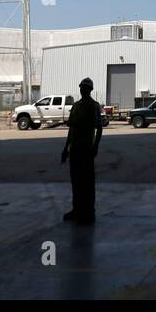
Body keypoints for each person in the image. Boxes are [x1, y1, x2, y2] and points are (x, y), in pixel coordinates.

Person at [60, 78, 103, 225]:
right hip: (75, 150)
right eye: (81, 87)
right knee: (76, 182)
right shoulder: (76, 106)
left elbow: (99, 128)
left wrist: (95, 146)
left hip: (86, 150)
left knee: (87, 182)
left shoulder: (94, 106)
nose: (82, 90)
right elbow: (71, 129)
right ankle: (76, 209)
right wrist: (66, 149)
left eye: (85, 88)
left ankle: (89, 211)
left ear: (89, 90)